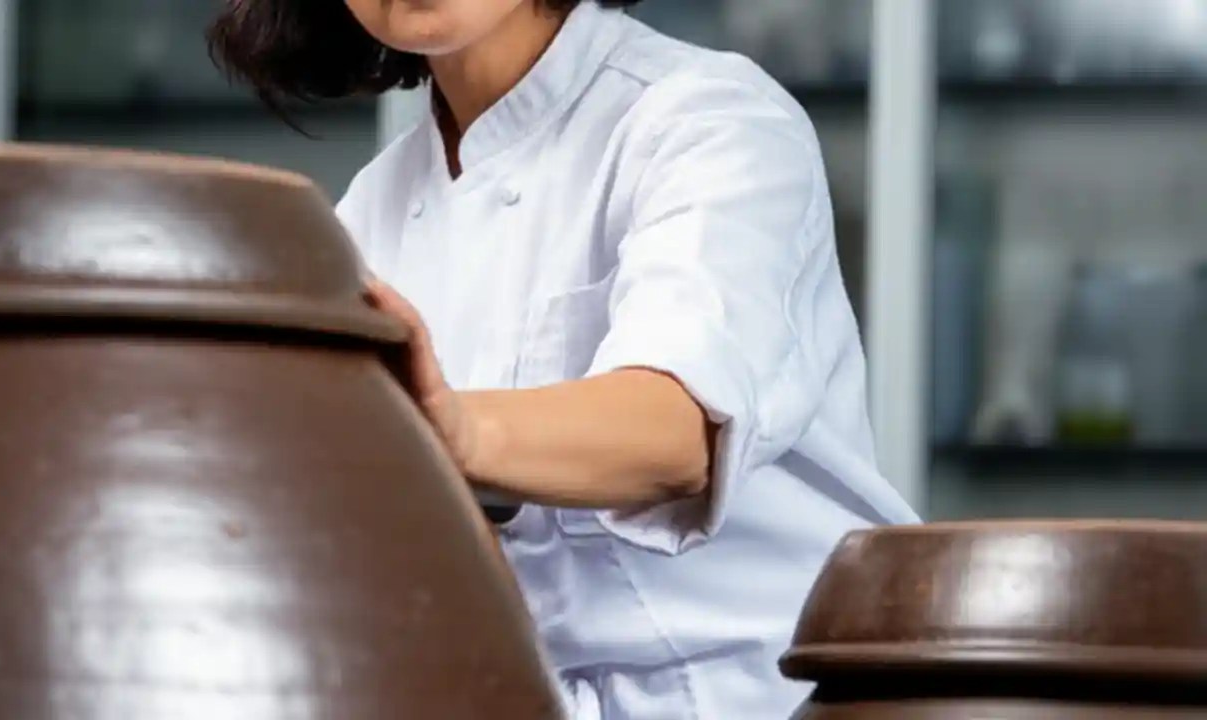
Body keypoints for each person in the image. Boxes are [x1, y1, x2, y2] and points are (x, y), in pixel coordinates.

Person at [208, 1, 919, 717]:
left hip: (774, 697)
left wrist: (447, 428)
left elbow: (676, 430)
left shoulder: (712, 121)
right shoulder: (370, 214)